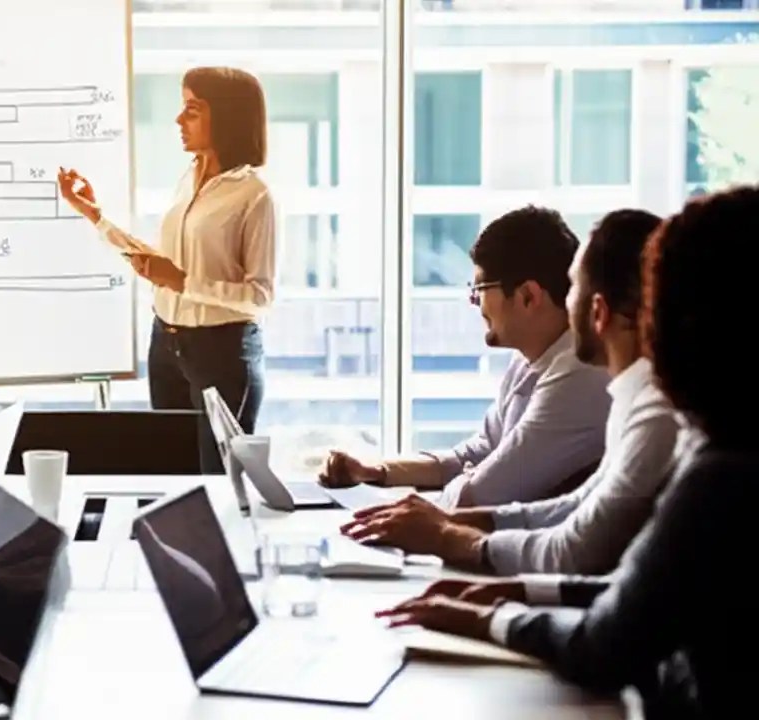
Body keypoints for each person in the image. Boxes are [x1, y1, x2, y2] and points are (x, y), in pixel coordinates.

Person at [376, 186, 759, 719]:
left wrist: (492, 612)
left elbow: (604, 645)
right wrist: (521, 590)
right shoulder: (728, 447)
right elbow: (633, 588)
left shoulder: (719, 474)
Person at [339, 210, 680, 575]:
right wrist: (384, 477)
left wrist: (441, 528)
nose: (567, 301)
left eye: (573, 287)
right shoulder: (545, 366)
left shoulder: (613, 393)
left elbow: (503, 500)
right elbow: (567, 503)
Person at [57, 66, 275, 474]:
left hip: (223, 352)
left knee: (220, 482)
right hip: (168, 346)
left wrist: (181, 282)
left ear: (226, 116)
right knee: (173, 477)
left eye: (192, 110)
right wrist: (94, 216)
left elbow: (259, 295)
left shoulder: (254, 194)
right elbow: (164, 265)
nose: (179, 120)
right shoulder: (187, 180)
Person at [323, 206, 611, 507]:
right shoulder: (531, 358)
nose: (474, 301)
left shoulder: (578, 373)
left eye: (480, 288)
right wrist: (377, 472)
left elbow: (480, 494)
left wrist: (469, 477)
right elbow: (478, 452)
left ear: (528, 296)